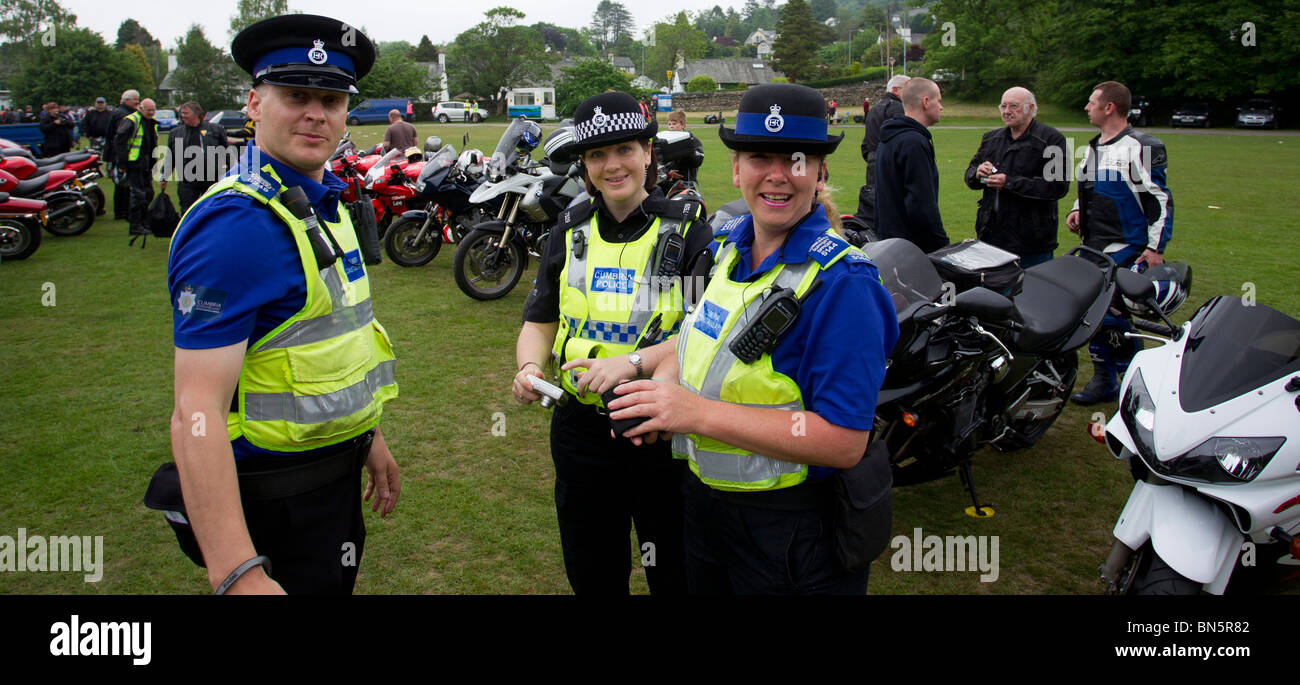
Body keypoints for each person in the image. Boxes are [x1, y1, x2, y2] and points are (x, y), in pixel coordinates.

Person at [607, 83, 898, 595]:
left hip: (789, 532)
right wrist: (659, 400)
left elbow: (843, 441)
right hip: (705, 508)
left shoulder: (845, 284)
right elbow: (694, 341)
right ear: (736, 170)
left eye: (797, 159)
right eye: (760, 157)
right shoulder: (724, 249)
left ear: (819, 172)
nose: (778, 175)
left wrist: (691, 414)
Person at [163, 13, 399, 595]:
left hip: (330, 483)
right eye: (296, 95)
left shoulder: (322, 199)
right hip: (273, 501)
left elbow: (331, 342)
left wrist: (366, 437)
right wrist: (237, 572)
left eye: (332, 98)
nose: (316, 113)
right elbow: (195, 411)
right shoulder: (236, 225)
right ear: (254, 102)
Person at [512, 91, 713, 595]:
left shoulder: (687, 232)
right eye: (597, 155)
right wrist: (529, 367)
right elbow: (541, 320)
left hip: (659, 432)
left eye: (625, 149)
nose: (612, 165)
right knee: (593, 571)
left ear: (649, 152)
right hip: (580, 430)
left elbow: (703, 334)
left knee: (674, 572)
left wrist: (637, 365)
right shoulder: (568, 230)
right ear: (584, 165)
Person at [1067, 80, 1173, 405]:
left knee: (1115, 315)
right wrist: (1077, 210)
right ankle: (1104, 380)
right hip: (1094, 245)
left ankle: (1131, 388)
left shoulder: (1143, 145)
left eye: (1091, 102)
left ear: (1108, 107)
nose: (1087, 108)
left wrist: (1155, 249)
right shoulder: (1096, 145)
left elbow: (1159, 199)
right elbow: (1090, 188)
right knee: (1093, 313)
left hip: (1127, 246)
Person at [962, 86, 1069, 267]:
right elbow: (970, 174)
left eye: (1014, 106)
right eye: (1003, 106)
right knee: (992, 292)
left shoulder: (1052, 139)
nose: (1007, 111)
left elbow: (1057, 187)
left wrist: (1009, 182)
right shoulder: (990, 139)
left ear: (1031, 108)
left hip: (1031, 240)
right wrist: (978, 173)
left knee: (1032, 291)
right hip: (991, 234)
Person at [874, 77, 948, 253]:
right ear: (925, 102)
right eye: (939, 100)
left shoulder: (892, 137)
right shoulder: (913, 142)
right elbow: (921, 203)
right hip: (909, 246)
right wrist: (941, 245)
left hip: (889, 239)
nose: (941, 106)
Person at [852, 74, 908, 230]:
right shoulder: (898, 108)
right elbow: (901, 142)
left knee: (874, 204)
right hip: (890, 164)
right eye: (908, 89)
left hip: (873, 161)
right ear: (896, 90)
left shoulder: (875, 109)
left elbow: (865, 144)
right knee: (893, 208)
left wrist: (872, 158)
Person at [169, 101, 231, 214]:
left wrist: (231, 171)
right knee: (187, 209)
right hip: (187, 178)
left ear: (196, 114)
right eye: (181, 113)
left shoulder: (215, 130)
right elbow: (171, 155)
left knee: (212, 207)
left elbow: (227, 152)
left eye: (185, 113)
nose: (182, 116)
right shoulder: (176, 133)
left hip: (211, 177)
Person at [113, 97, 161, 238]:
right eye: (149, 110)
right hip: (134, 162)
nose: (152, 112)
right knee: (138, 194)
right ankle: (135, 225)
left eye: (153, 110)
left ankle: (142, 221)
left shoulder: (150, 122)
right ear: (141, 108)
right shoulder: (131, 120)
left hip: (146, 162)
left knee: (148, 193)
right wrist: (122, 163)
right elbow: (119, 142)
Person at [105, 89, 141, 220]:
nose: (137, 102)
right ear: (126, 100)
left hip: (118, 154)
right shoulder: (123, 116)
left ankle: (122, 211)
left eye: (138, 99)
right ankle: (122, 212)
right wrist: (122, 160)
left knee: (122, 185)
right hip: (121, 155)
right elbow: (120, 139)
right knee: (123, 185)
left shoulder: (120, 112)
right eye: (134, 99)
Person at [661, 109, 704, 186]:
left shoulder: (693, 141)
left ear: (683, 125)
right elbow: (659, 162)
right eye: (669, 124)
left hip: (688, 183)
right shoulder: (664, 141)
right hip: (667, 184)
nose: (671, 126)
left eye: (674, 124)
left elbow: (698, 161)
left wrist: (686, 148)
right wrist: (668, 172)